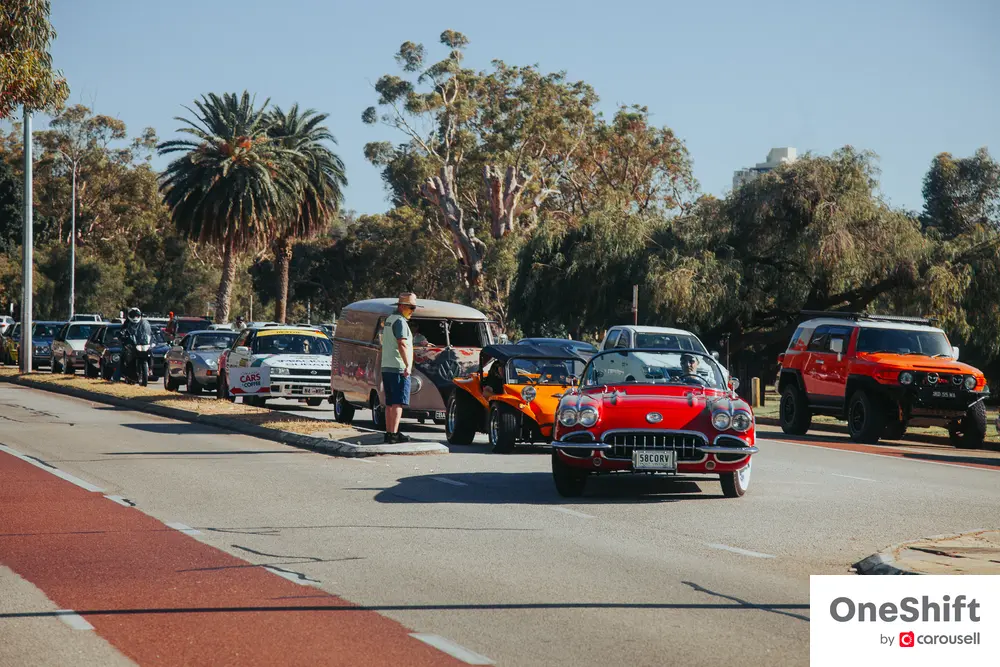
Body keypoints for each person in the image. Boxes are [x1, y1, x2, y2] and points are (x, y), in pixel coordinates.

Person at [380, 292, 418, 443]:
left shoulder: (390, 319)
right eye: (411, 308)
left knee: (390, 403)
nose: (412, 311)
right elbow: (402, 343)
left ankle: (390, 433)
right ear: (402, 306)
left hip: (387, 366)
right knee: (397, 403)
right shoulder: (400, 322)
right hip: (398, 367)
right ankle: (394, 434)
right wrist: (408, 365)